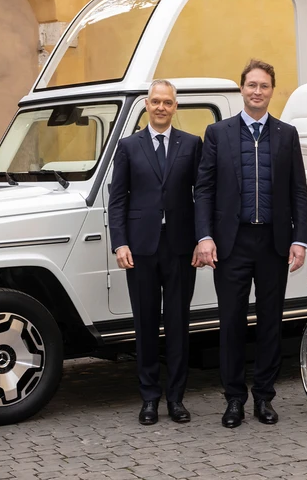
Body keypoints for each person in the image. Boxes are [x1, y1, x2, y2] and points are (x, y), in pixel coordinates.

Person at [193, 59, 307, 428]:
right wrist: (205, 235)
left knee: (271, 323)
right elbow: (204, 190)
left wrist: (300, 239)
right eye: (251, 85)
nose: (257, 91)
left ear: (272, 91)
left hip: (273, 243)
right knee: (230, 323)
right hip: (232, 243)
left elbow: (298, 191)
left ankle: (264, 397)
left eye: (264, 86)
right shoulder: (218, 133)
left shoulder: (286, 134)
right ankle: (233, 399)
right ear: (241, 90)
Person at [108, 79, 202, 425]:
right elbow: (117, 199)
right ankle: (149, 399)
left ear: (175, 107)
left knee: (178, 324)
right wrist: (120, 242)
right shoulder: (128, 146)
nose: (161, 107)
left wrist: (201, 238)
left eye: (168, 102)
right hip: (141, 248)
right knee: (145, 325)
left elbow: (201, 195)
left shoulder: (192, 144)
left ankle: (176, 399)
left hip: (180, 247)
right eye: (156, 101)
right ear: (146, 105)